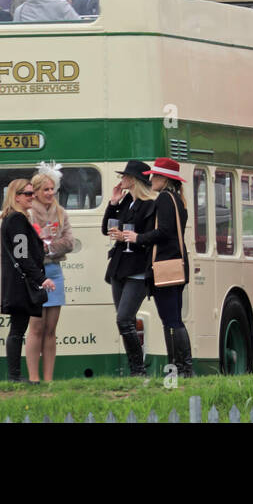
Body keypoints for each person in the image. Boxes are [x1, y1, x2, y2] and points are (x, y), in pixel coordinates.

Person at [141, 157, 192, 378]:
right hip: (178, 265)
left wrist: (138, 237)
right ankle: (182, 366)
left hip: (165, 266)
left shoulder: (163, 198)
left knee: (170, 319)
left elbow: (163, 232)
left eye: (154, 176)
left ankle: (178, 367)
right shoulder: (178, 200)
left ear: (163, 178)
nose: (151, 180)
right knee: (175, 318)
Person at [0, 177, 54, 382]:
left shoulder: (12, 218)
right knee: (17, 330)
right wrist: (42, 279)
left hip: (15, 281)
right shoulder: (17, 219)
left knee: (18, 328)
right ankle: (14, 376)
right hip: (20, 283)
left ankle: (14, 375)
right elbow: (21, 254)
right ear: (16, 197)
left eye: (32, 193)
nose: (32, 197)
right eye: (28, 194)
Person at [103, 158, 153, 377]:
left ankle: (138, 369)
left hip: (138, 269)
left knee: (124, 318)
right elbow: (107, 229)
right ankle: (136, 369)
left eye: (124, 176)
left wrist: (132, 237)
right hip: (119, 267)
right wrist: (112, 203)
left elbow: (151, 235)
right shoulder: (124, 202)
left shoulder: (149, 204)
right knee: (125, 320)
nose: (121, 179)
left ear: (133, 180)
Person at [26, 164, 74, 383]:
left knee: (51, 329)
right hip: (35, 272)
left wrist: (48, 247)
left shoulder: (61, 212)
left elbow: (69, 242)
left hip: (54, 270)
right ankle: (34, 378)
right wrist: (46, 242)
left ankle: (49, 379)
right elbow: (26, 245)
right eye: (45, 189)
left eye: (52, 189)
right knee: (36, 327)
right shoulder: (27, 213)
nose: (49, 193)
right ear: (35, 191)